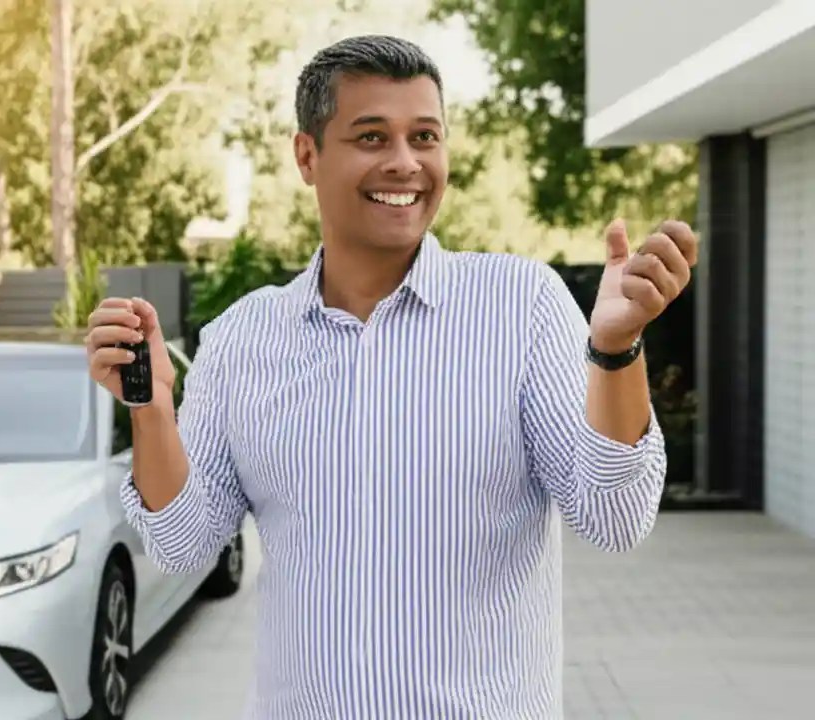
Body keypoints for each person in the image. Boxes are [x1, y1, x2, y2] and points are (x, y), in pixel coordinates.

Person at [85, 35, 697, 720]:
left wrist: (615, 351)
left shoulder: (521, 307)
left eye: (425, 136)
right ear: (308, 156)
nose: (405, 162)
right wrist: (151, 410)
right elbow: (181, 542)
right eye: (372, 137)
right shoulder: (241, 340)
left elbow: (616, 517)